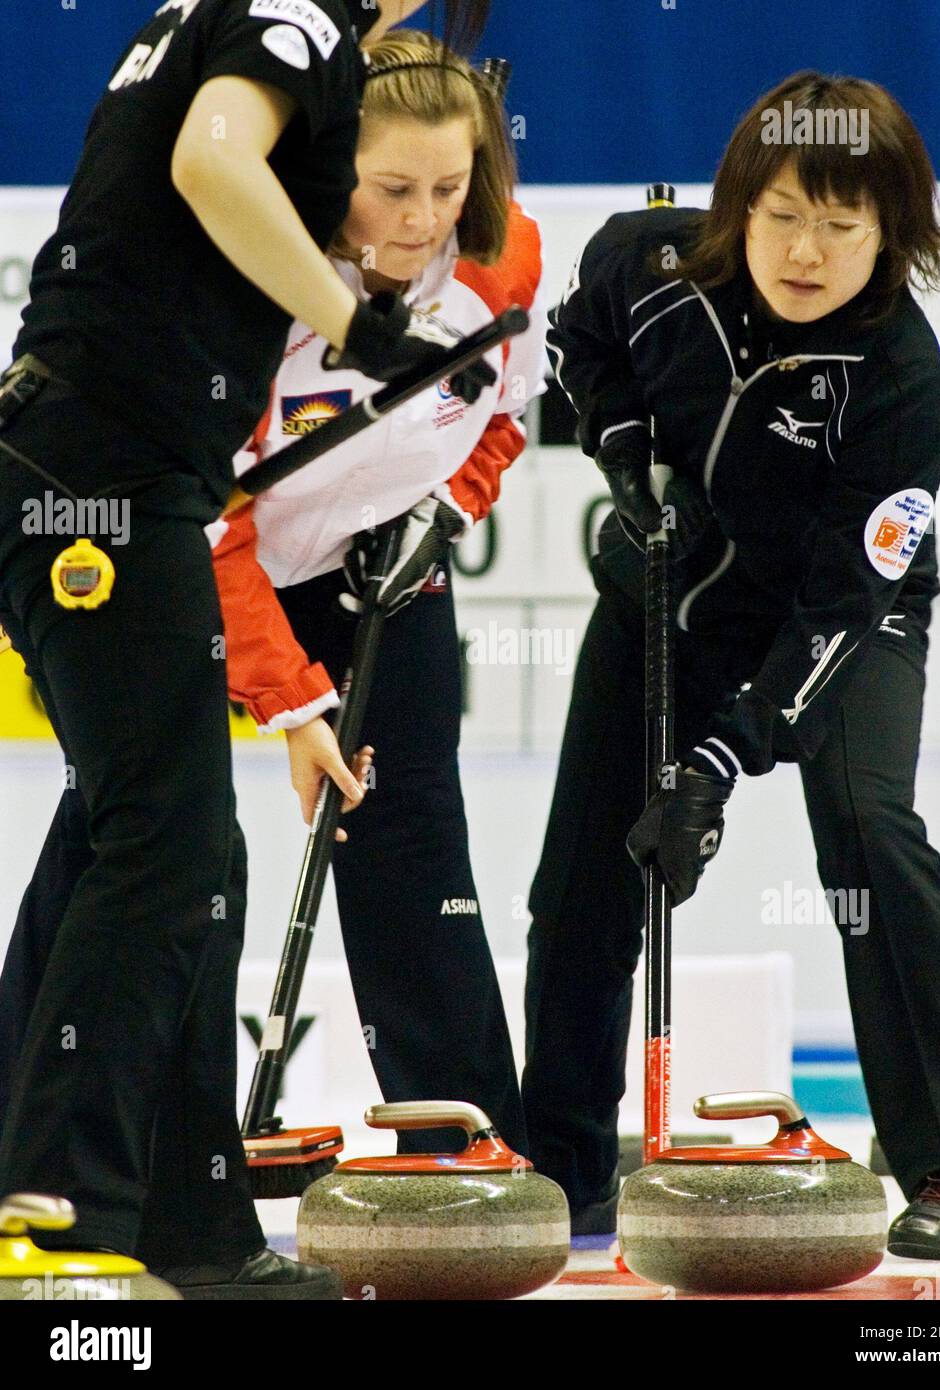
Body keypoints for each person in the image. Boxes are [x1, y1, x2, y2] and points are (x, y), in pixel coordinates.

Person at [0, 0, 493, 1301]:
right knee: (163, 840)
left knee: (177, 843)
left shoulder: (218, 15)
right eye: (392, 184)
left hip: (111, 464)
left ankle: (183, 1228)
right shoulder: (293, 18)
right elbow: (215, 159)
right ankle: (54, 1218)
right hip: (101, 468)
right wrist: (348, 309)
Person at [525, 71, 940, 1256]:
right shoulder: (645, 265)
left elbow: (847, 598)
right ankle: (561, 1161)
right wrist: (627, 450)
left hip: (841, 617)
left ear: (887, 233)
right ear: (735, 205)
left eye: (842, 225)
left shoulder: (898, 377)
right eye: (783, 213)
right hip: (669, 591)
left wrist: (715, 761)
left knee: (867, 834)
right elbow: (574, 336)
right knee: (585, 869)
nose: (805, 250)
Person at [209, 28, 546, 1157]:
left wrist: (439, 515)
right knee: (140, 834)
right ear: (327, 170)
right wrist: (294, 706)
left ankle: (461, 1143)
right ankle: (79, 1137)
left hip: (384, 565)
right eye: (390, 187)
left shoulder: (504, 263)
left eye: (448, 187)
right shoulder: (256, 301)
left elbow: (497, 418)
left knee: (408, 834)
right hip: (216, 573)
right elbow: (209, 531)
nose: (421, 217)